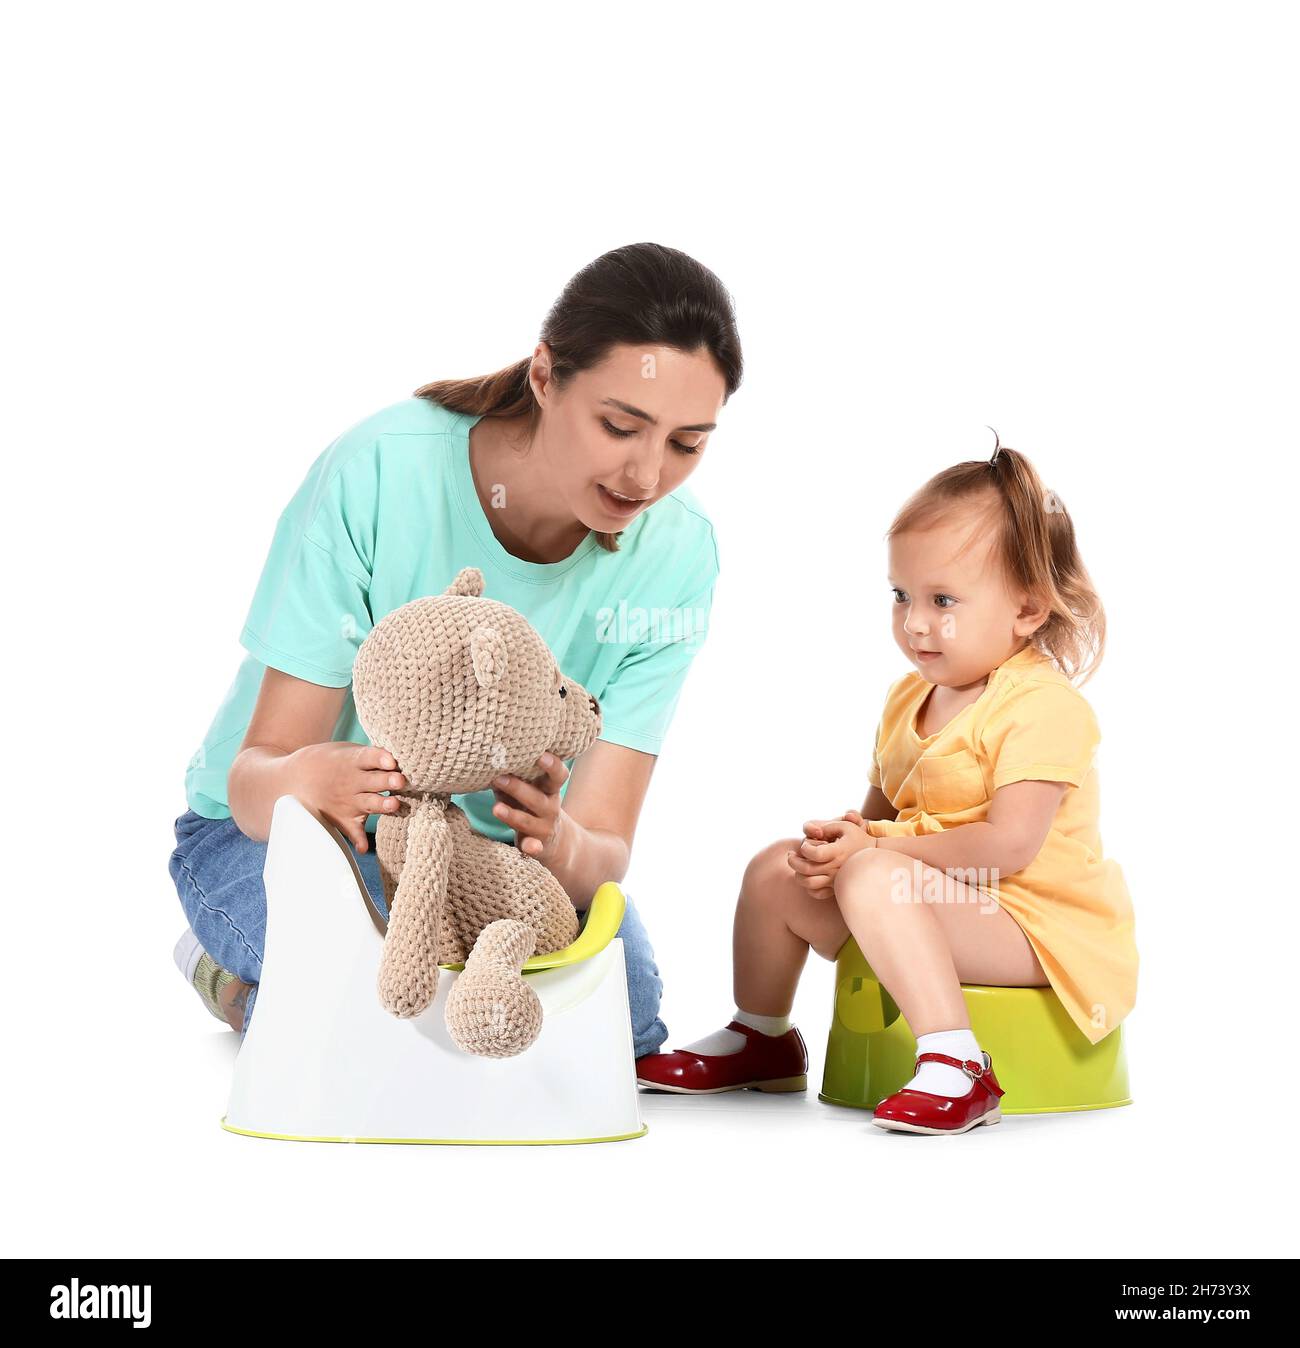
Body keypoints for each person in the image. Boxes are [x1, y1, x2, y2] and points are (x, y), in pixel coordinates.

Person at [168, 241, 742, 1059]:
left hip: (489, 862)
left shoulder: (678, 558)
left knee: (623, 1027)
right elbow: (256, 779)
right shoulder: (380, 471)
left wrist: (560, 840)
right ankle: (229, 973)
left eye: (688, 444)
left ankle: (283, 990)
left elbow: (602, 851)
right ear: (545, 376)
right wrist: (306, 781)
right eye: (621, 425)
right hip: (275, 833)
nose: (646, 475)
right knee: (380, 1019)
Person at [636, 440, 1138, 1134]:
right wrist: (836, 847)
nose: (916, 622)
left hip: (1035, 924)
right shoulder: (912, 698)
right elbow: (877, 821)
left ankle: (958, 1062)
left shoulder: (1041, 706)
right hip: (931, 902)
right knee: (776, 869)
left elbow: (1010, 845)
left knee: (878, 878)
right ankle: (764, 1036)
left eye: (944, 601)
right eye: (902, 596)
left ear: (1026, 610)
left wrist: (872, 850)